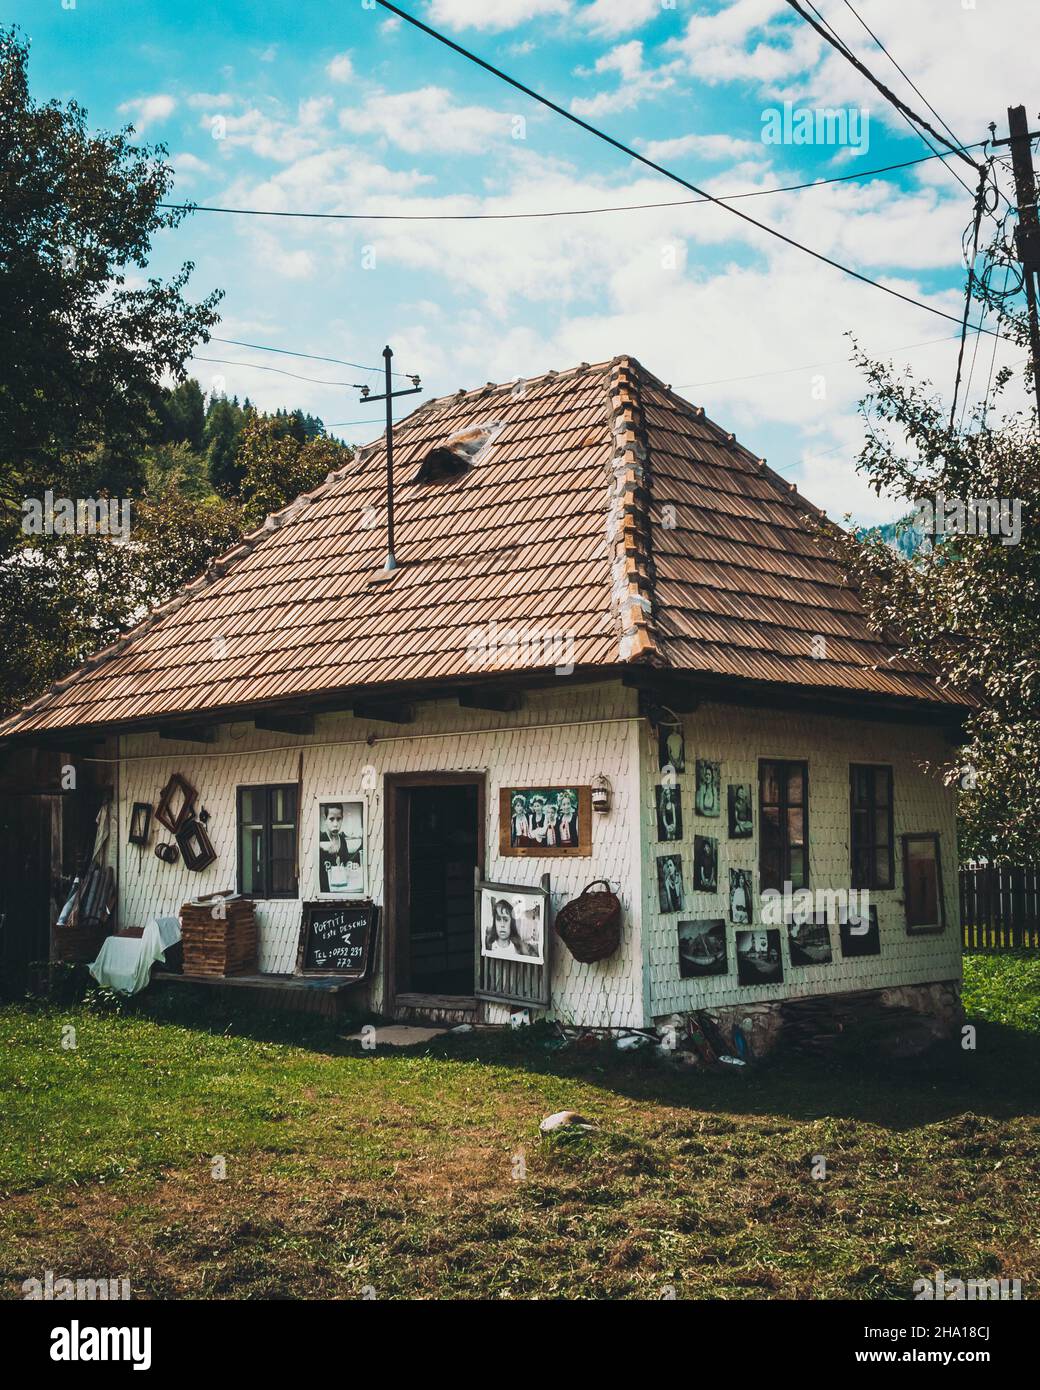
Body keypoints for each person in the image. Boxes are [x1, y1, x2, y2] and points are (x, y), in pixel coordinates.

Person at [319, 803, 362, 893]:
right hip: (324, 892)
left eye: (339, 819)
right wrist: (321, 846)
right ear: (324, 819)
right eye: (331, 819)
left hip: (341, 889)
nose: (335, 824)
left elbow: (346, 862)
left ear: (342, 818)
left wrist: (350, 864)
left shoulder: (342, 839)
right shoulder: (320, 838)